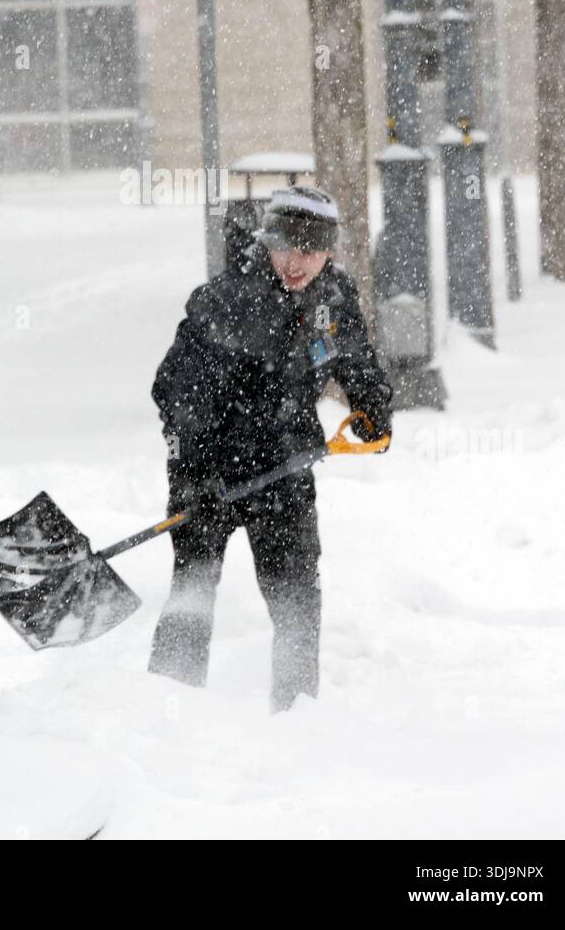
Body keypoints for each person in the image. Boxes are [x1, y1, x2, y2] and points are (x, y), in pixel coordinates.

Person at [148, 185, 393, 712]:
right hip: (209, 471)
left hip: (284, 468)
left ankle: (296, 713)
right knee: (193, 591)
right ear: (268, 241)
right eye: (288, 247)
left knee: (298, 599)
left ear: (329, 250)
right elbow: (174, 392)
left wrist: (374, 404)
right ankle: (165, 711)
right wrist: (198, 471)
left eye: (312, 250)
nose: (298, 263)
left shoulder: (334, 297)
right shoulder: (224, 300)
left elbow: (356, 358)